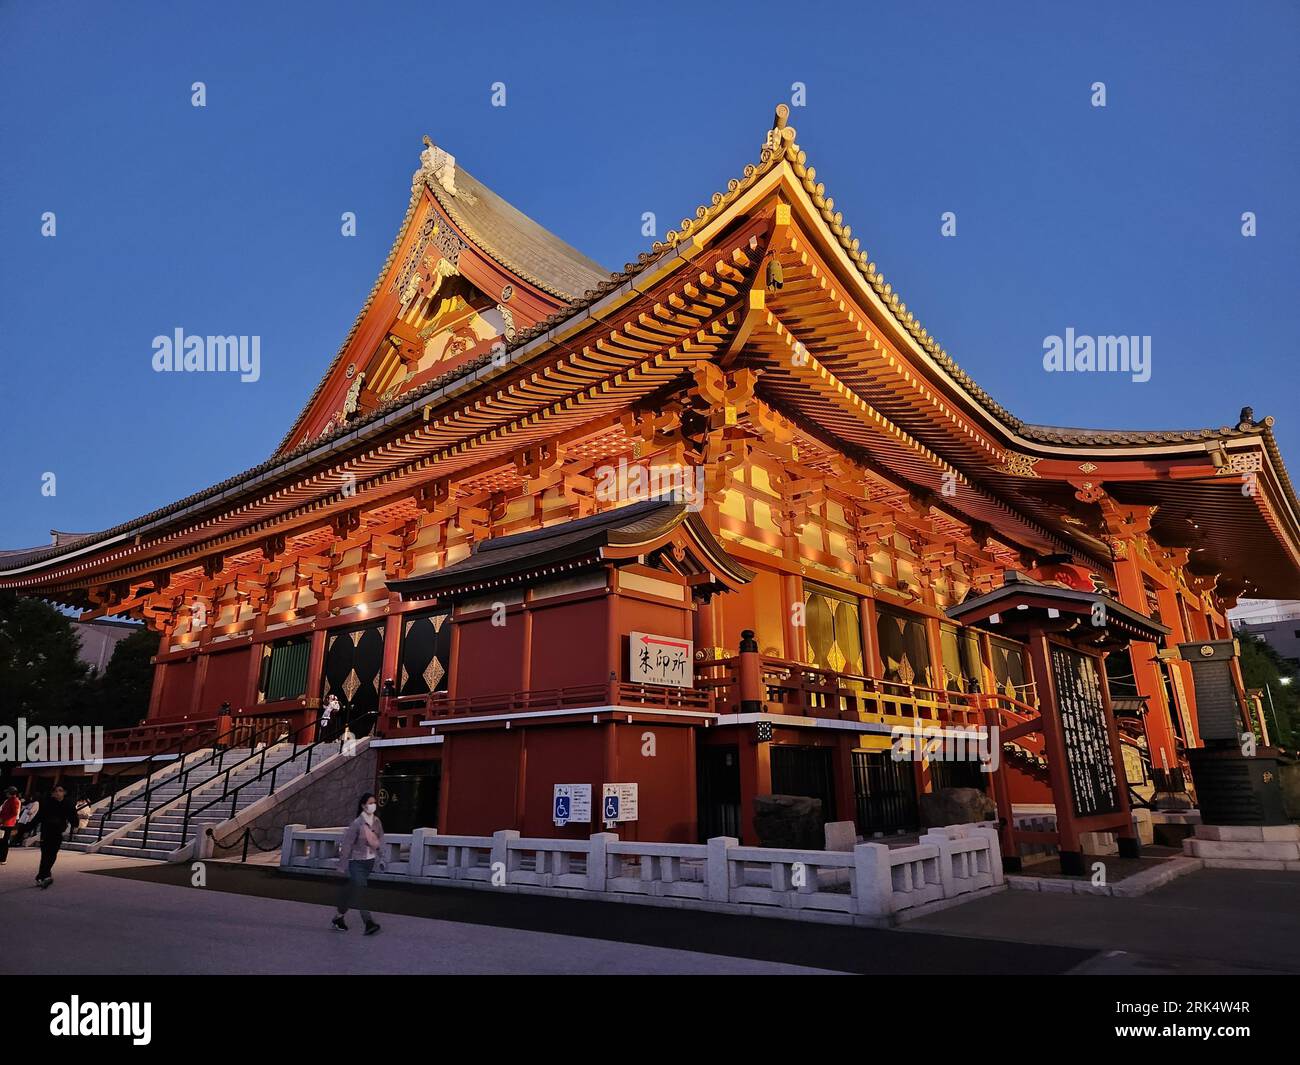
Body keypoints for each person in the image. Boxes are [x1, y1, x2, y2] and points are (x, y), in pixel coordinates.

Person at [332, 792, 384, 935]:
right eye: (370, 803)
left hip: (369, 862)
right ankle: (368, 923)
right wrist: (342, 865)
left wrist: (381, 858)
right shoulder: (356, 824)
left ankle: (338, 917)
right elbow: (347, 845)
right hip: (357, 863)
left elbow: (379, 841)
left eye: (374, 803)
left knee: (351, 891)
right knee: (361, 891)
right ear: (363, 806)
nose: (373, 805)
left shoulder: (377, 822)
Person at [26, 785, 76, 888]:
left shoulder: (68, 804)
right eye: (55, 791)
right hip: (46, 832)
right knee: (45, 855)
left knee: (52, 854)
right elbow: (38, 817)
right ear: (52, 793)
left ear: (64, 792)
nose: (57, 793)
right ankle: (44, 876)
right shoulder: (47, 803)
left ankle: (43, 875)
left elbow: (73, 816)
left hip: (58, 833)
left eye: (60, 791)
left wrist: (75, 823)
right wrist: (27, 829)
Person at [0, 788, 20, 865]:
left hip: (8, 824)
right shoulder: (8, 800)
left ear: (11, 792)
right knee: (1, 841)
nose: (6, 793)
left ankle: (3, 858)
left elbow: (14, 813)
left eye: (7, 792)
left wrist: (4, 819)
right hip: (3, 823)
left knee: (4, 842)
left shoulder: (15, 800)